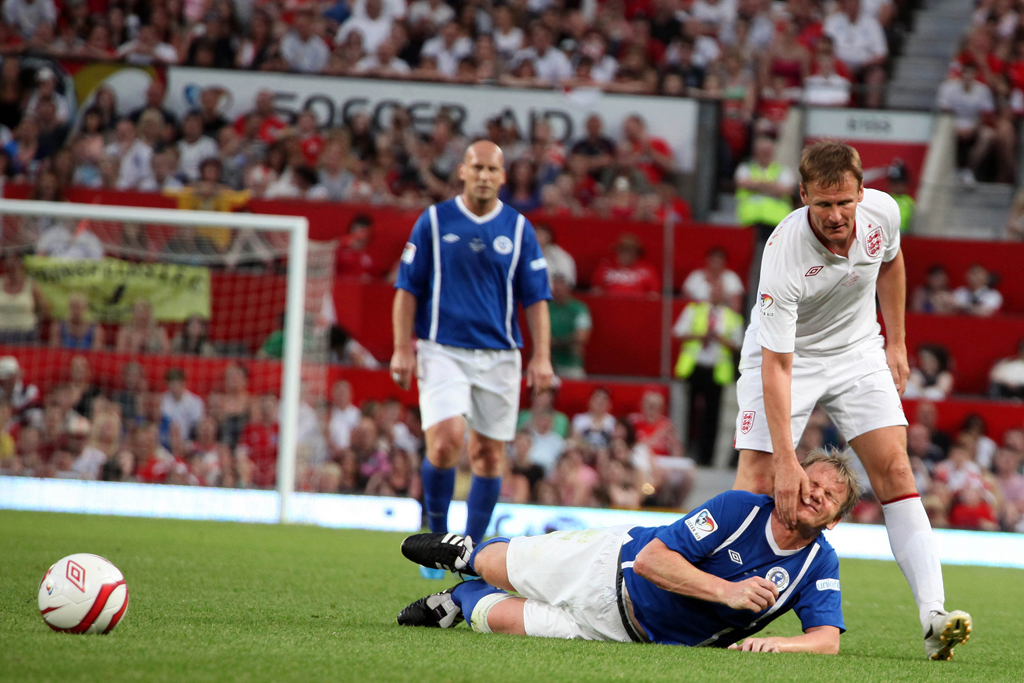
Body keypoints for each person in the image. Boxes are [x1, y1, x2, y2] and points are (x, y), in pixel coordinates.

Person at [732, 140, 971, 661]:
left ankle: (933, 616)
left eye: (845, 202)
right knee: (755, 477)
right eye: (823, 204)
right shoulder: (784, 253)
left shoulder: (882, 212)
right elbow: (777, 366)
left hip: (858, 351)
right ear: (803, 197)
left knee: (897, 473)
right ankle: (723, 606)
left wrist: (897, 341)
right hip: (785, 358)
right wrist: (789, 461)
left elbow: (891, 263)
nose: (836, 215)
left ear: (862, 192)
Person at [398, 449, 873, 655]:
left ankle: (460, 599)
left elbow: (826, 639)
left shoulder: (818, 562)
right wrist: (726, 592)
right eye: (811, 482)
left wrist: (779, 645)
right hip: (611, 567)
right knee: (501, 565)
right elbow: (652, 561)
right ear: (791, 480)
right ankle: (465, 555)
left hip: (627, 637)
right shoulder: (738, 510)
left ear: (833, 520)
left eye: (829, 497)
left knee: (495, 618)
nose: (815, 495)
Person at [390, 140, 554, 578]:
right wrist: (402, 348)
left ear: (503, 177)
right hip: (442, 348)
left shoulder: (519, 229)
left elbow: (536, 298)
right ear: (462, 171)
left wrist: (542, 358)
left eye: (492, 169)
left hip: (501, 355)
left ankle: (472, 553)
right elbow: (407, 288)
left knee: (487, 457)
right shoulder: (433, 221)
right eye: (476, 167)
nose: (484, 175)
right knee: (445, 440)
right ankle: (438, 538)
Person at [672, 281, 745, 465]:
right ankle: (686, 451)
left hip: (717, 370)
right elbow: (678, 332)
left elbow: (737, 345)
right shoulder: (694, 310)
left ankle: (707, 457)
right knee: (689, 413)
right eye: (714, 290)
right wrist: (700, 336)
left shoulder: (732, 317)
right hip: (695, 367)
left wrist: (720, 338)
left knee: (712, 415)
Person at [547, 273, 591, 378]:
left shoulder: (579, 309)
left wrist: (556, 343)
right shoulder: (547, 308)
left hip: (571, 365)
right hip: (549, 363)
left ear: (568, 287)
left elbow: (581, 337)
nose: (556, 289)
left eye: (560, 285)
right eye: (554, 285)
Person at [0, 252, 49, 344]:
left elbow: (45, 310)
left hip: (26, 334)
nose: (12, 272)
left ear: (21, 268)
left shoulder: (31, 285)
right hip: (2, 333)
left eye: (14, 268)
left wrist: (36, 320)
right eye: (9, 269)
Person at [591, 234, 659, 295]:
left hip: (638, 307)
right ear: (617, 251)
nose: (626, 253)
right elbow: (596, 291)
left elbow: (653, 295)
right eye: (623, 250)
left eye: (630, 250)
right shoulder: (605, 268)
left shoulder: (648, 270)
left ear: (637, 253)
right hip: (610, 306)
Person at [887, 161, 915, 234]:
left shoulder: (909, 202)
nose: (897, 186)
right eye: (894, 183)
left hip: (905, 237)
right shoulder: (886, 199)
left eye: (900, 183)